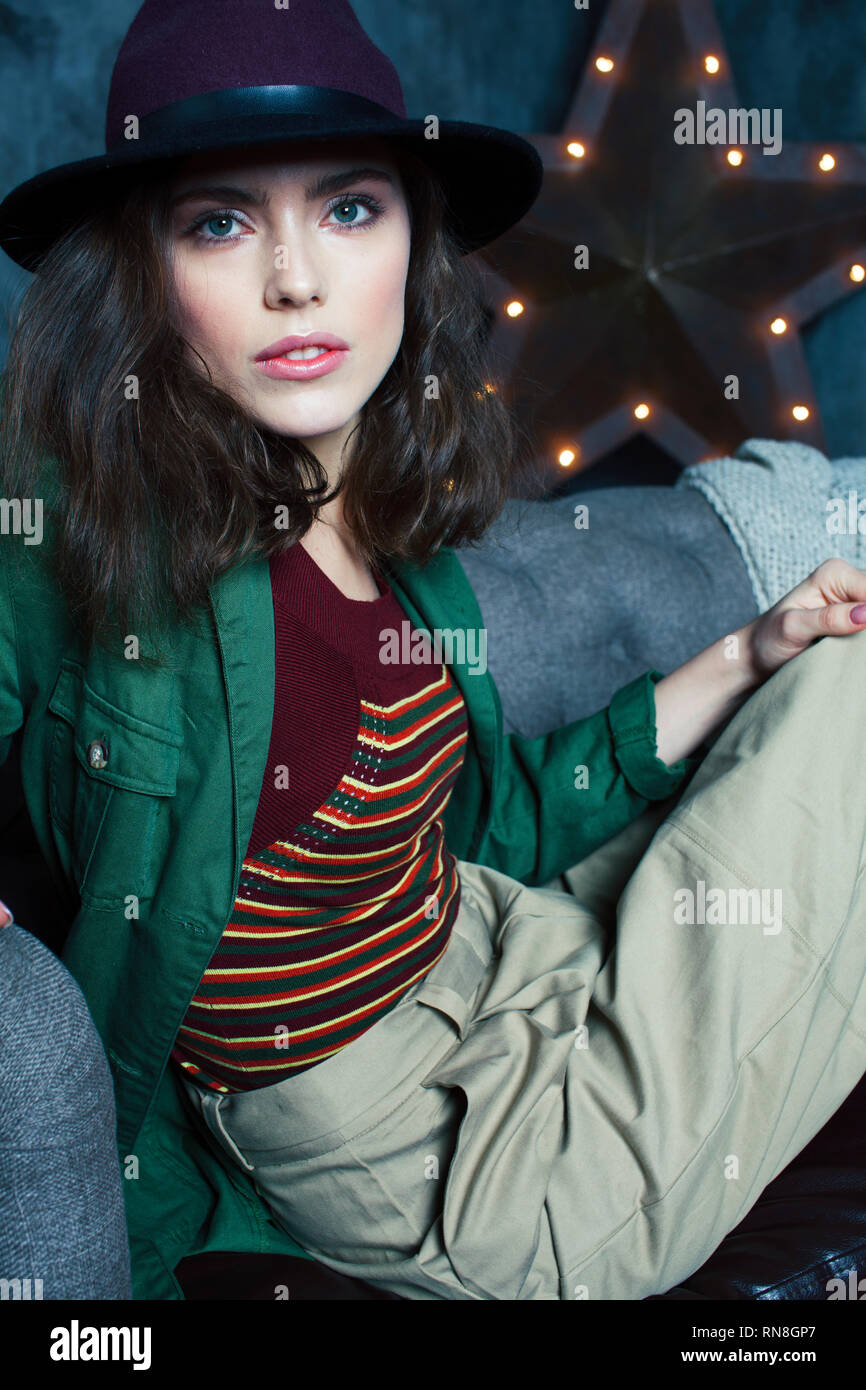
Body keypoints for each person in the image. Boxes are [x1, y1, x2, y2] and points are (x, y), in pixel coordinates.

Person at [1, 0, 866, 1303]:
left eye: (348, 209)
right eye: (220, 222)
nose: (296, 277)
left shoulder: (387, 523)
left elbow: (482, 822)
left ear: (411, 243)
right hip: (391, 1136)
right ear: (144, 274)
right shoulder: (85, 528)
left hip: (508, 949)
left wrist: (750, 649)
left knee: (839, 660)